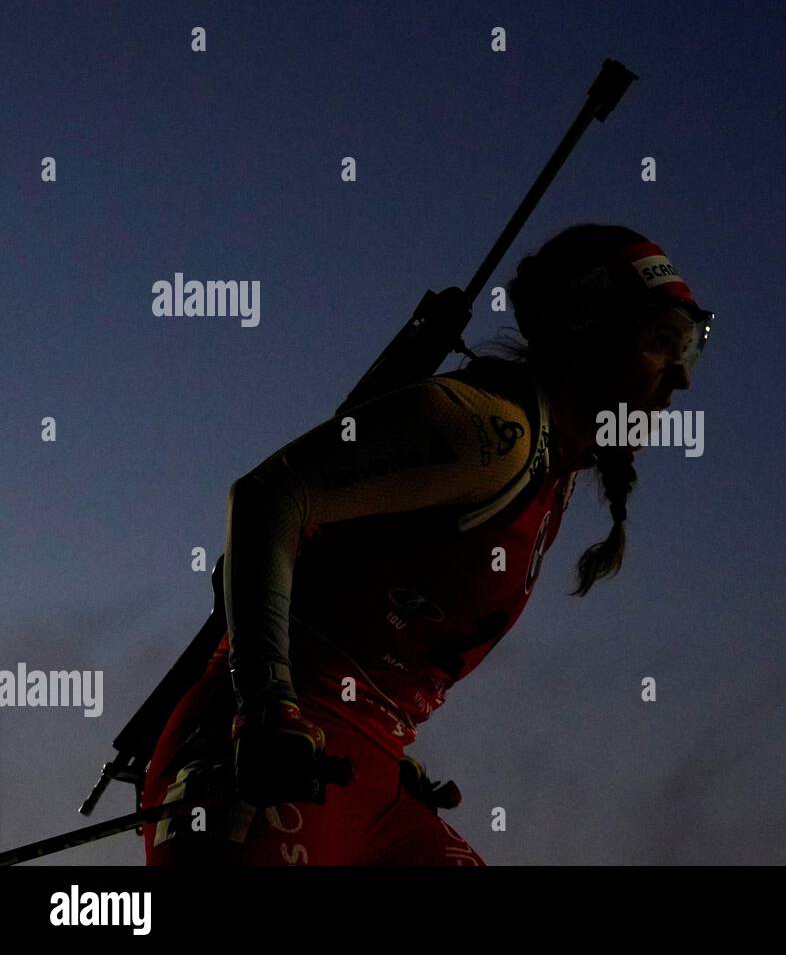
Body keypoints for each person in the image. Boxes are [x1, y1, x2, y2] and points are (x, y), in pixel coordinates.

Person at [140, 223, 713, 865]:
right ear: (587, 330)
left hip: (360, 770)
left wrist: (387, 746)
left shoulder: (551, 473)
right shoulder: (493, 432)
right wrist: (267, 703)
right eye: (662, 343)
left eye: (691, 348)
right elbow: (270, 496)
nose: (682, 379)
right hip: (264, 751)